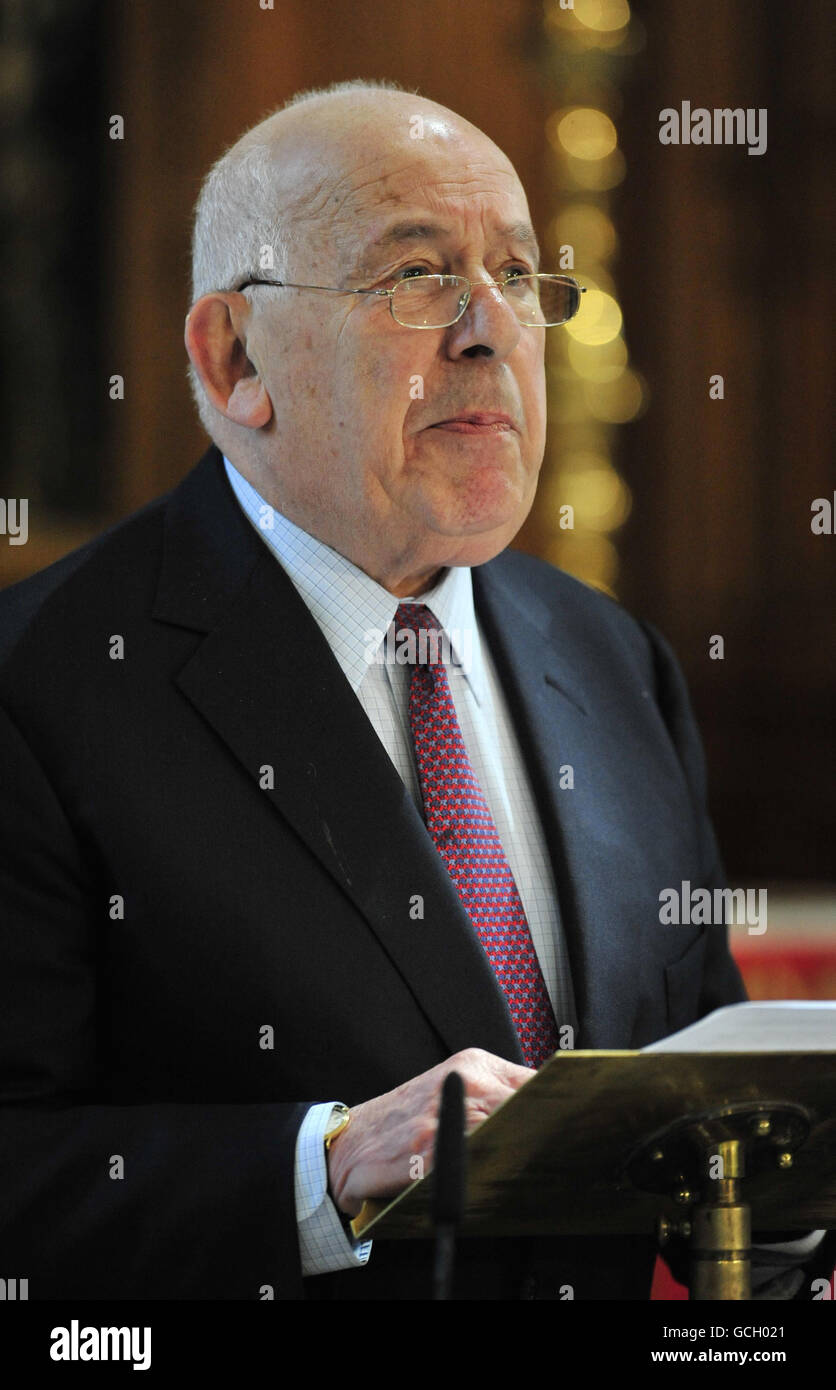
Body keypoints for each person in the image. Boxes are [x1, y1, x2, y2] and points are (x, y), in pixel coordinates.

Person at [0, 78, 828, 1301]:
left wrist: (779, 1212)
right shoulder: (42, 687)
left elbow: (693, 1112)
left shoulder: (611, 659)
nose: (490, 329)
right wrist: (321, 1169)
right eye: (416, 277)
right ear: (235, 357)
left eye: (517, 276)